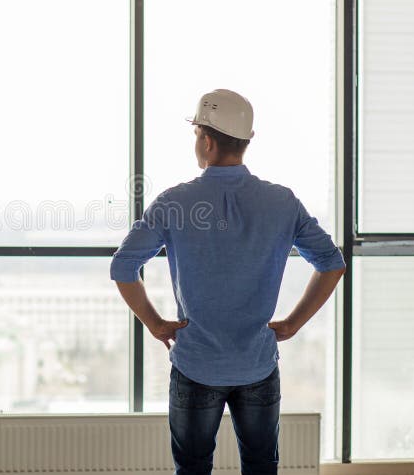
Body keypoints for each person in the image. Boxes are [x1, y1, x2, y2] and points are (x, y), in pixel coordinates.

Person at [110, 89, 346, 475]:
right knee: (260, 466)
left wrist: (155, 324)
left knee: (192, 468)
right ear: (245, 141)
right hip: (257, 363)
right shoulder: (282, 202)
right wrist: (291, 324)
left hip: (195, 364)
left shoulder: (174, 202)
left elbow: (123, 267)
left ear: (205, 140)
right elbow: (331, 264)